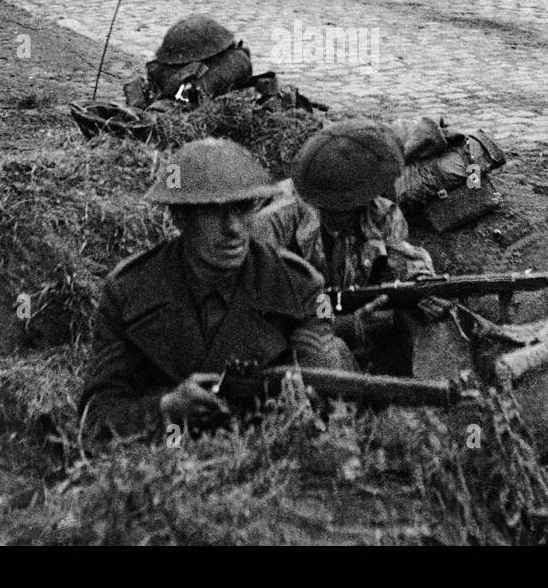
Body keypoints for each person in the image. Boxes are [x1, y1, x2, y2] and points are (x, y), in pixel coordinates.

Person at [80, 138, 352, 441]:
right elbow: (96, 417)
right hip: (165, 463)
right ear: (181, 216)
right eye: (214, 212)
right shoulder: (130, 291)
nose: (234, 229)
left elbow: (324, 382)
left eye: (243, 208)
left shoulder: (297, 286)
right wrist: (165, 408)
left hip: (262, 457)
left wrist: (310, 406)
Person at [255, 121, 435, 292]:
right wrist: (344, 324)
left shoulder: (382, 215)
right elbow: (254, 285)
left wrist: (423, 285)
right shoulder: (279, 216)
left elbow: (401, 256)